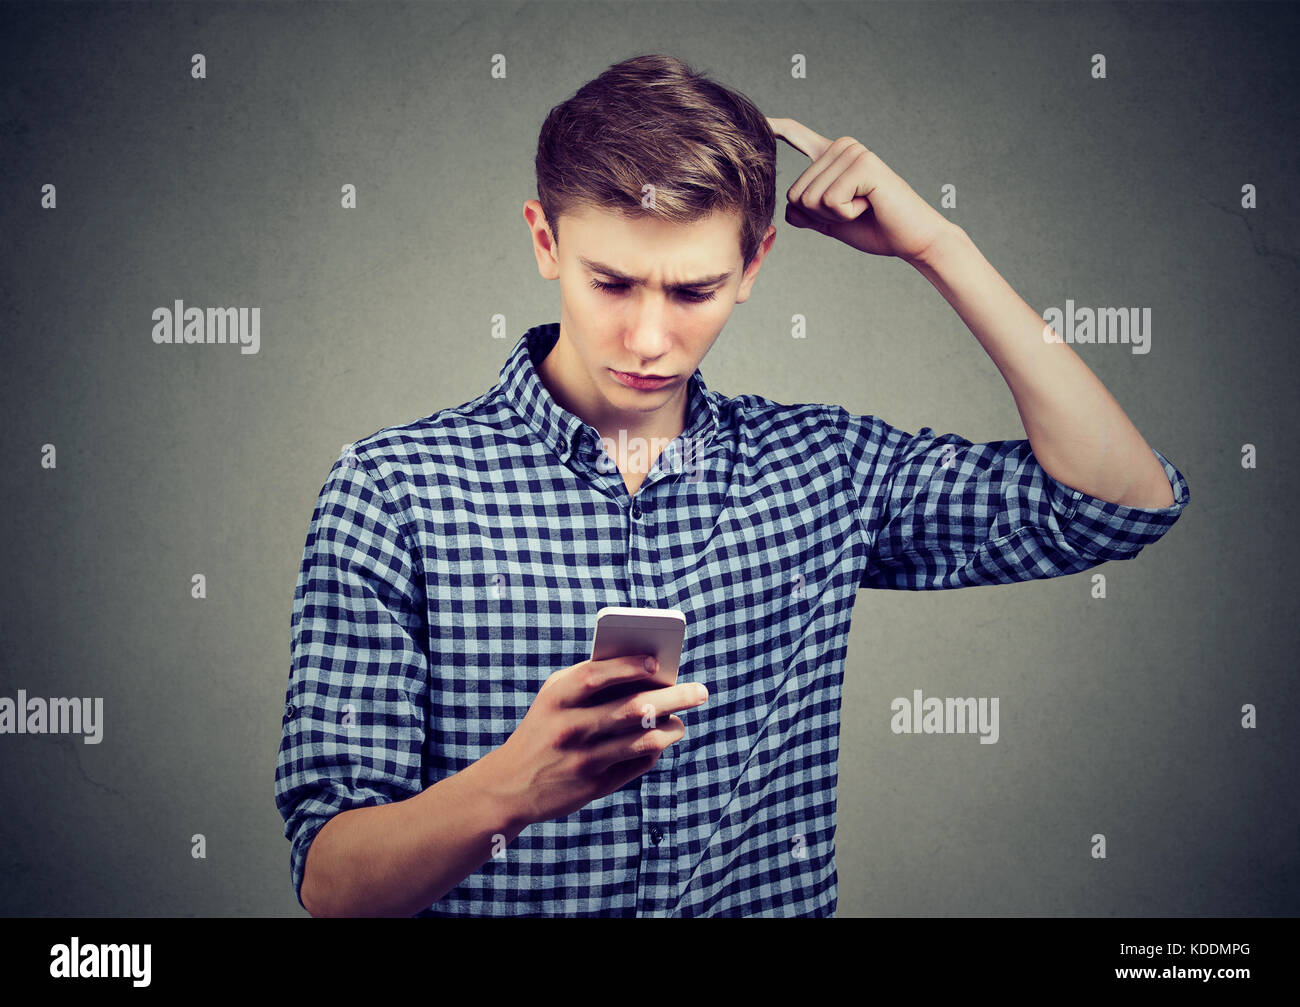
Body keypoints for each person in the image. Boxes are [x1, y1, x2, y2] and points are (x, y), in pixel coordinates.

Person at [273, 53, 1189, 917]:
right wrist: (510, 787)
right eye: (611, 282)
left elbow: (1115, 505)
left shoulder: (823, 471)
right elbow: (333, 881)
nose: (645, 338)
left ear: (754, 266)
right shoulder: (393, 493)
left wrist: (937, 245)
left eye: (691, 291)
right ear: (545, 241)